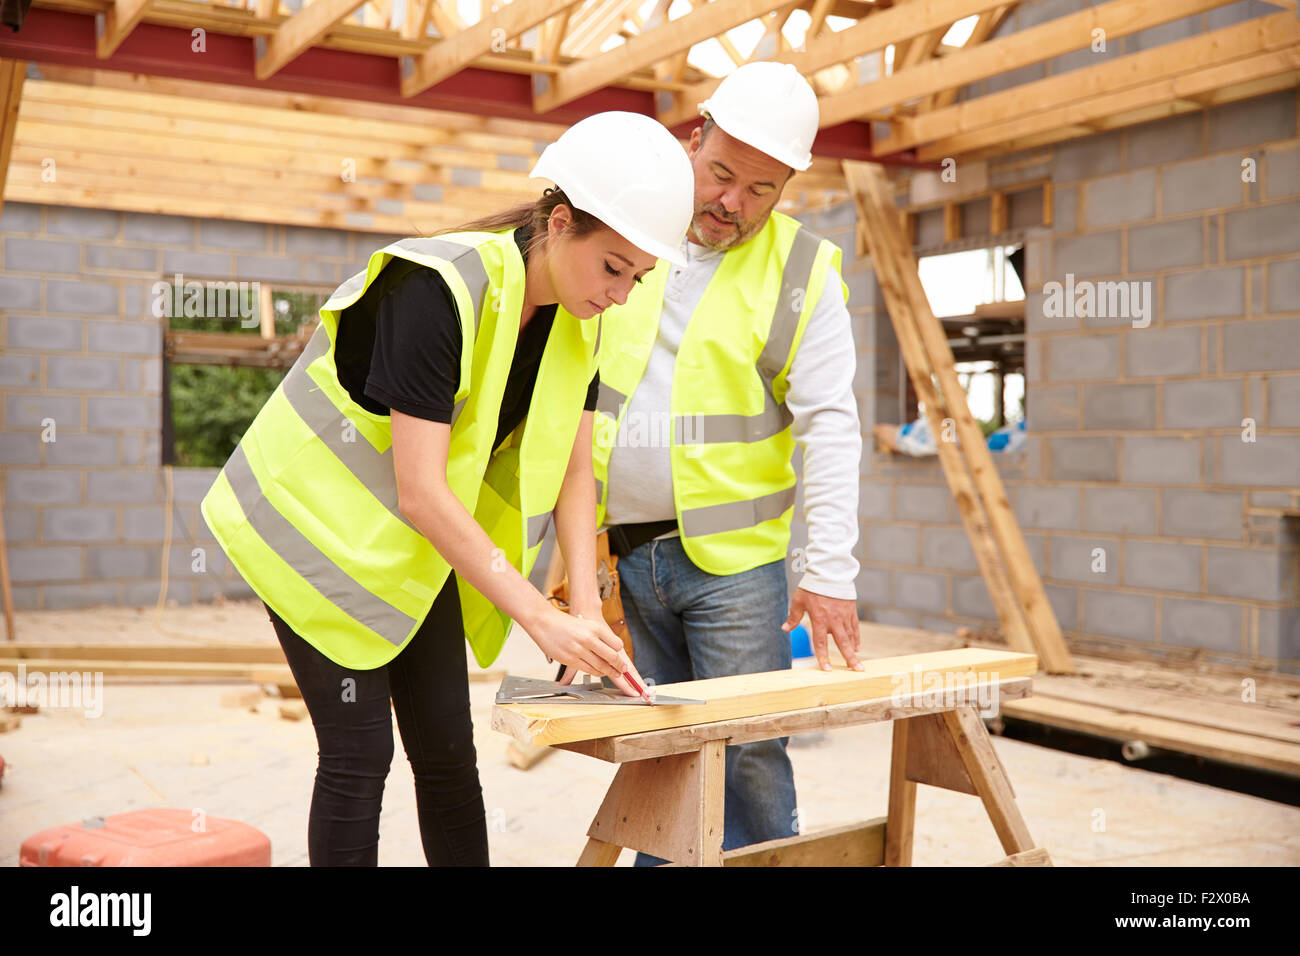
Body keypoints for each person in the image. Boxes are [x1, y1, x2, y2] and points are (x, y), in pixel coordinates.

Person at [200, 111, 695, 866]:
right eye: (614, 267)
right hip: (311, 536)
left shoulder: (579, 318)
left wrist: (586, 616)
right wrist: (536, 616)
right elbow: (423, 491)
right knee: (359, 760)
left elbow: (569, 463)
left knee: (448, 760)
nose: (623, 294)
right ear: (560, 224)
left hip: (412, 549)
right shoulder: (437, 289)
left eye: (639, 277)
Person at [589, 63, 865, 864]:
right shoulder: (626, 231)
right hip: (623, 554)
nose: (731, 204)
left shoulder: (803, 271)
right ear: (693, 138)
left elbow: (831, 423)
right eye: (720, 175)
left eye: (760, 190)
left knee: (746, 750)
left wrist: (831, 568)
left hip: (736, 570)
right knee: (660, 748)